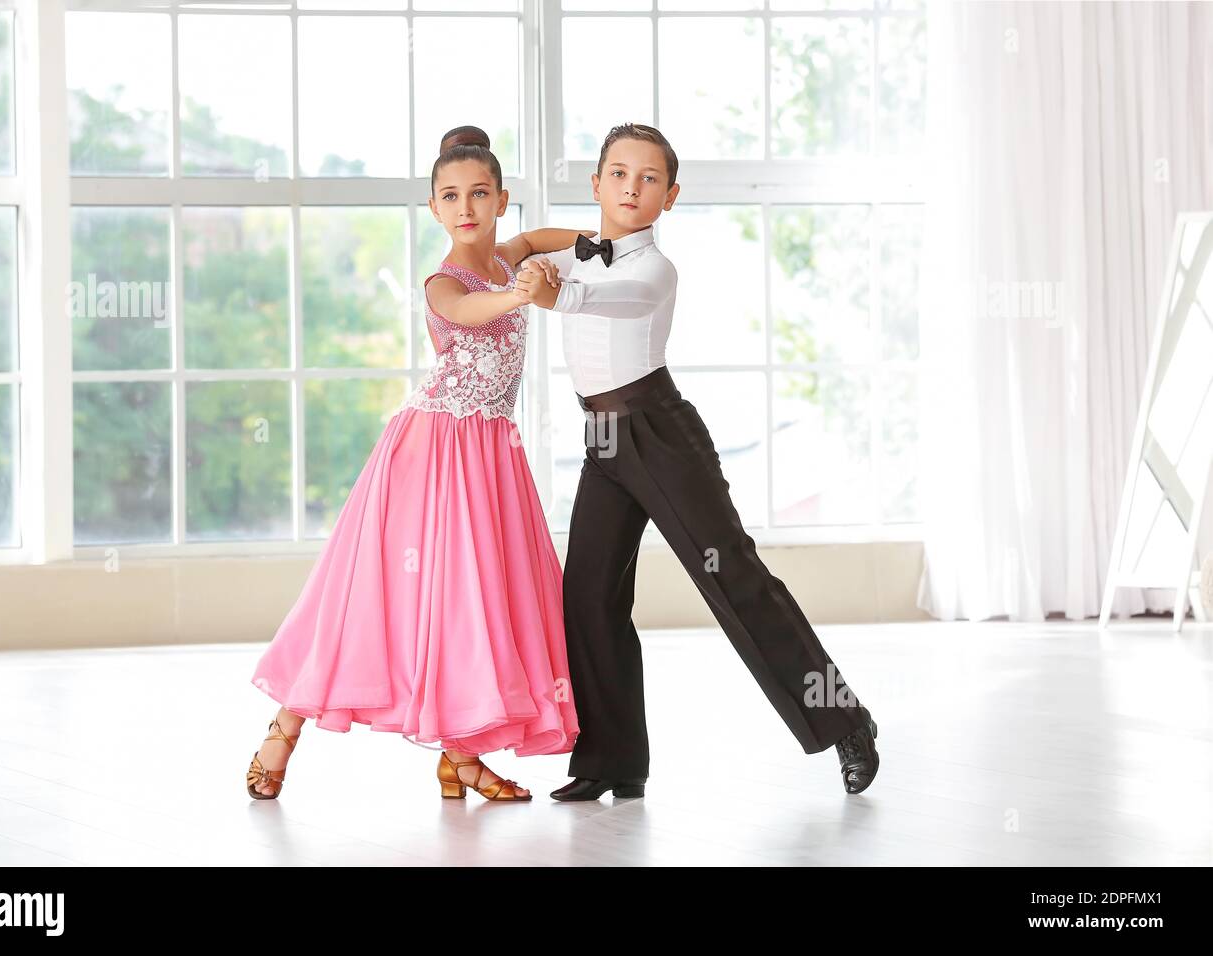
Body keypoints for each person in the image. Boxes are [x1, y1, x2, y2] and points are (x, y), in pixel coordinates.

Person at [513, 123, 881, 801]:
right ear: (595, 185)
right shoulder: (573, 256)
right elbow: (534, 249)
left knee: (733, 578)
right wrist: (522, 252)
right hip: (601, 441)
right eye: (619, 174)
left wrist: (551, 288)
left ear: (670, 196)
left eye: (649, 178)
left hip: (659, 432)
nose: (632, 188)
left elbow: (606, 298)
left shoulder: (653, 269)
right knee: (587, 596)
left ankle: (846, 721)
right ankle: (612, 761)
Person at [246, 125, 586, 802]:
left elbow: (542, 240)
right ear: (434, 208)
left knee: (475, 602)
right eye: (452, 196)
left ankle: (461, 755)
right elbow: (472, 309)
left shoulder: (505, 255)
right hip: (434, 452)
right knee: (379, 600)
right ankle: (283, 730)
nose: (467, 207)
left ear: (500, 199)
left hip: (491, 451)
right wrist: (523, 293)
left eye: (480, 193)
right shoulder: (444, 281)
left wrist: (599, 244)